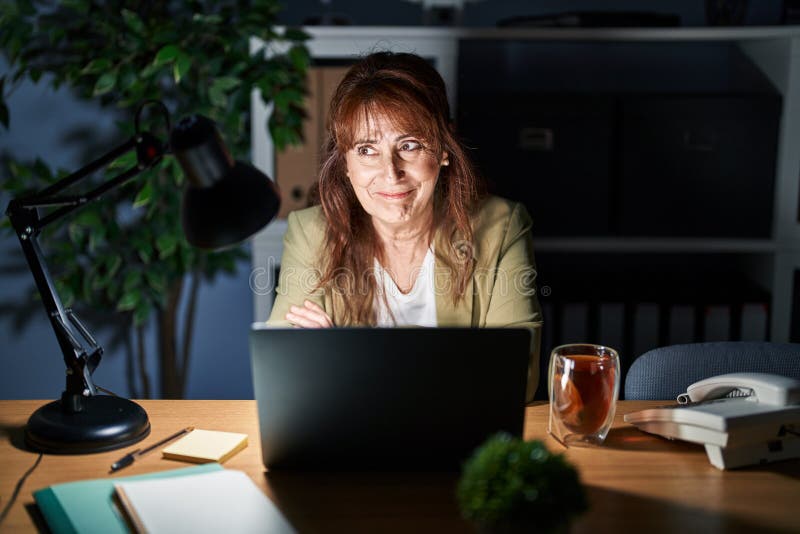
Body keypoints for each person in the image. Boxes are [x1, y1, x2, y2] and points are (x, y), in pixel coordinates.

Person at [267, 51, 543, 400]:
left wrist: (345, 359)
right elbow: (285, 367)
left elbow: (517, 376)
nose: (390, 172)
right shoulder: (312, 231)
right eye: (367, 150)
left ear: (444, 149)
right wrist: (460, 365)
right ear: (345, 164)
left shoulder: (500, 225)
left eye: (409, 146)